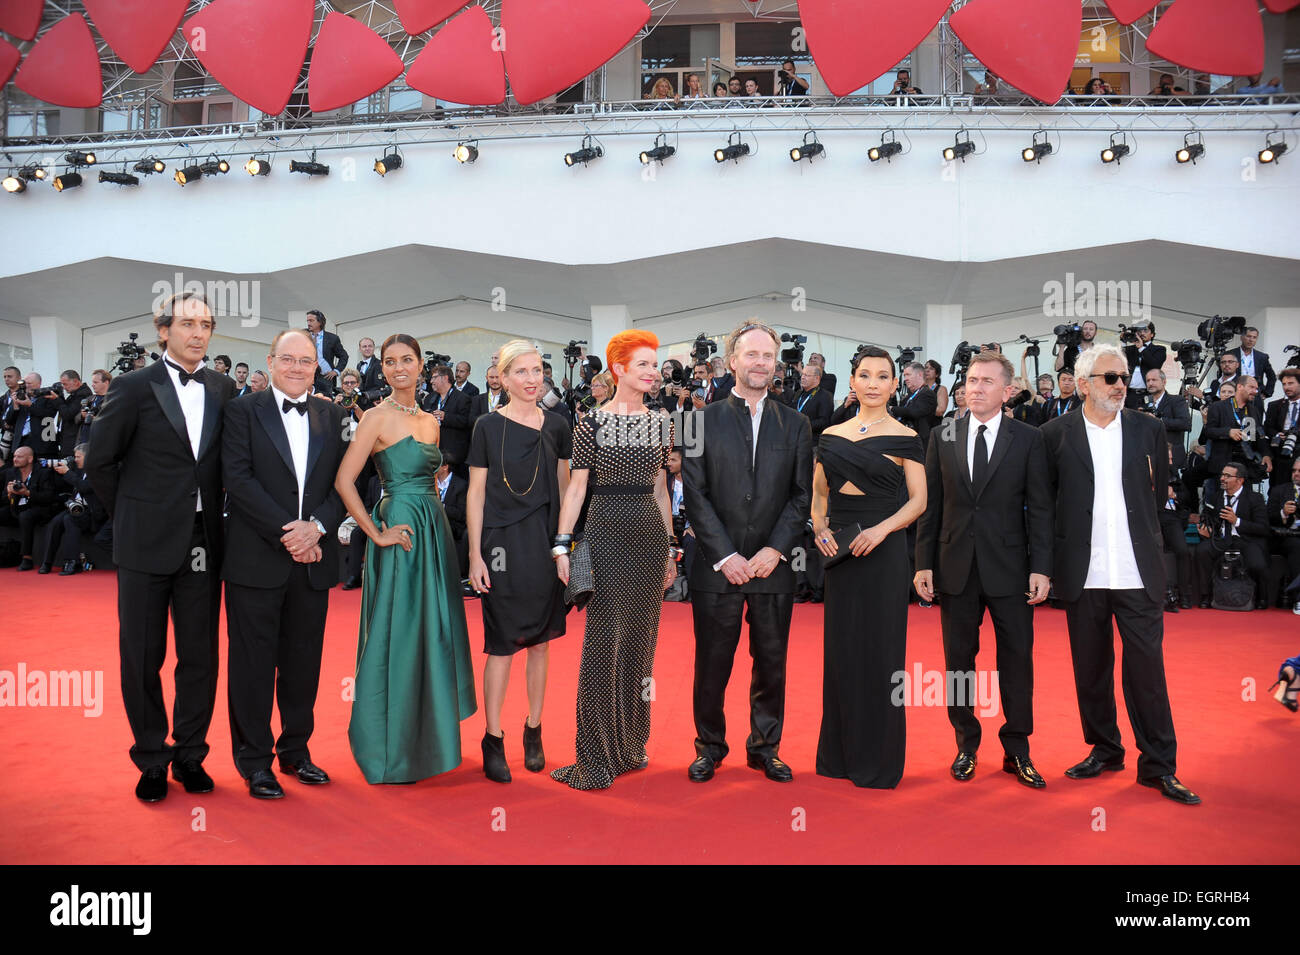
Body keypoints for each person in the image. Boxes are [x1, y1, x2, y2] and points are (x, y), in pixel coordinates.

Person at [84, 291, 237, 802]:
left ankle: (190, 753)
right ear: (163, 329)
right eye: (189, 323)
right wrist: (132, 515)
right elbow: (100, 463)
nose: (199, 333)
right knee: (141, 656)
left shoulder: (223, 387)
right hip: (145, 544)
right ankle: (151, 757)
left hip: (202, 543)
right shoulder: (131, 387)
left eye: (207, 325)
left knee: (200, 656)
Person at [1041, 344, 1200, 805]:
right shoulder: (1054, 433)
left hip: (1136, 570)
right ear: (1085, 382)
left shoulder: (1149, 429)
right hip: (1082, 571)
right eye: (1111, 378)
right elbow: (1046, 504)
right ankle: (1105, 750)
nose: (1121, 386)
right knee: (1091, 671)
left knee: (1147, 670)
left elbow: (1153, 498)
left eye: (1124, 377)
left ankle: (1159, 766)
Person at [333, 333, 477, 784]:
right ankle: (390, 747)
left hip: (431, 532)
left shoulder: (432, 422)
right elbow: (344, 480)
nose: (398, 368)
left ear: (421, 367)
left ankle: (427, 737)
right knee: (399, 630)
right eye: (390, 361)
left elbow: (432, 483)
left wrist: (438, 526)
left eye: (407, 360)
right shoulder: (375, 418)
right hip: (401, 531)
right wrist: (375, 532)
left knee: (432, 630)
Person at [681, 320, 812, 783]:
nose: (759, 363)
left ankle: (765, 747)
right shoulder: (696, 420)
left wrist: (776, 550)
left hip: (773, 568)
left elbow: (801, 496)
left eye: (766, 356)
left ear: (774, 364)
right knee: (712, 662)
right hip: (718, 567)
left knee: (771, 663)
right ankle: (709, 747)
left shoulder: (796, 423)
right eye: (751, 355)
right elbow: (694, 494)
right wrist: (725, 555)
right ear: (732, 361)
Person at [915, 351, 1053, 788]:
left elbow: (1042, 509)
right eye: (971, 380)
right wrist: (923, 563)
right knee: (959, 664)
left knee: (1017, 660)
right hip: (955, 566)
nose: (975, 388)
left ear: (1007, 390)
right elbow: (930, 505)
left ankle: (1017, 750)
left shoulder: (1029, 438)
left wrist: (1042, 567)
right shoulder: (944, 435)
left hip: (1012, 568)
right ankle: (966, 745)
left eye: (986, 382)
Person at [221, 328, 350, 798]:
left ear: (317, 367)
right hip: (256, 557)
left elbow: (344, 483)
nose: (297, 368)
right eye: (288, 359)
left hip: (313, 558)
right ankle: (254, 761)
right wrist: (291, 533)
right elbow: (237, 478)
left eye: (306, 361)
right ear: (271, 361)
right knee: (252, 664)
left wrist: (315, 527)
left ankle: (296, 751)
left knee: (302, 663)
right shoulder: (240, 411)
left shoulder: (332, 414)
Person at [552, 330, 676, 790]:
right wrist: (563, 544)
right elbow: (577, 489)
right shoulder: (590, 423)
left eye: (655, 364)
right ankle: (595, 756)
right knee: (604, 645)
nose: (652, 372)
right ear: (619, 369)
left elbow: (662, 490)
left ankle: (628, 746)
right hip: (605, 530)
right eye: (643, 364)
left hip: (646, 533)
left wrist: (668, 547)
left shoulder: (662, 423)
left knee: (640, 645)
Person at [811, 347, 925, 788]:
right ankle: (838, 757)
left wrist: (882, 531)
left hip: (883, 554)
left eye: (883, 376)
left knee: (880, 654)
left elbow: (919, 500)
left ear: (895, 384)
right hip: (841, 555)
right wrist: (819, 526)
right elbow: (819, 494)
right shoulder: (830, 435)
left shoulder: (906, 436)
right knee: (841, 653)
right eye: (865, 375)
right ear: (853, 382)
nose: (873, 382)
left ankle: (876, 762)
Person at [467, 340, 572, 782]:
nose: (532, 380)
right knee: (502, 643)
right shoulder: (486, 426)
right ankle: (493, 737)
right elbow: (474, 493)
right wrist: (474, 554)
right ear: (504, 378)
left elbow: (567, 491)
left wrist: (564, 546)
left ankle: (534, 727)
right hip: (500, 545)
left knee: (542, 641)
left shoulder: (560, 425)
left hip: (545, 544)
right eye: (522, 372)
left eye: (537, 371)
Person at [1195, 462, 1269, 610]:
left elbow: (1263, 528)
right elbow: (1210, 520)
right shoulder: (1216, 497)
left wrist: (1237, 521)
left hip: (1245, 540)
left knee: (1257, 564)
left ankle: (1261, 597)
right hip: (1222, 539)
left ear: (1240, 480)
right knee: (1202, 551)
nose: (1222, 478)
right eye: (1222, 475)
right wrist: (1207, 531)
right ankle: (1206, 596)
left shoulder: (1255, 498)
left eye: (1227, 476)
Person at [40, 444, 107, 576]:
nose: (75, 460)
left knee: (70, 519)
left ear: (89, 457)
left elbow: (85, 487)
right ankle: (47, 562)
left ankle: (72, 562)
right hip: (76, 508)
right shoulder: (81, 471)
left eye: (78, 457)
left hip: (93, 513)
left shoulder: (100, 471)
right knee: (55, 522)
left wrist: (67, 472)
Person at [2, 445, 57, 570]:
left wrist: (27, 493)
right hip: (16, 507)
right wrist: (9, 493)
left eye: (19, 457)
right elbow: (4, 498)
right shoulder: (11, 472)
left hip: (39, 509)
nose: (15, 459)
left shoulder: (44, 473)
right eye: (14, 456)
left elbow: (49, 497)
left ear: (30, 459)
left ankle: (27, 558)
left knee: (25, 516)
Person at [305, 309, 348, 398]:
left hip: (326, 377)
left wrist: (336, 371)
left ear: (320, 322)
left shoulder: (332, 338)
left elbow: (344, 356)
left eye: (311, 321)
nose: (308, 323)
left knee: (325, 402)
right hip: (307, 375)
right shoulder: (303, 335)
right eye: (307, 321)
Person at [894, 362, 937, 448]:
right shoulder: (909, 396)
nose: (905, 379)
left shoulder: (927, 393)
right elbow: (899, 411)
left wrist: (892, 408)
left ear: (920, 375)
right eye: (904, 375)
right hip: (905, 441)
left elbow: (914, 412)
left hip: (919, 444)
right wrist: (892, 395)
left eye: (908, 375)